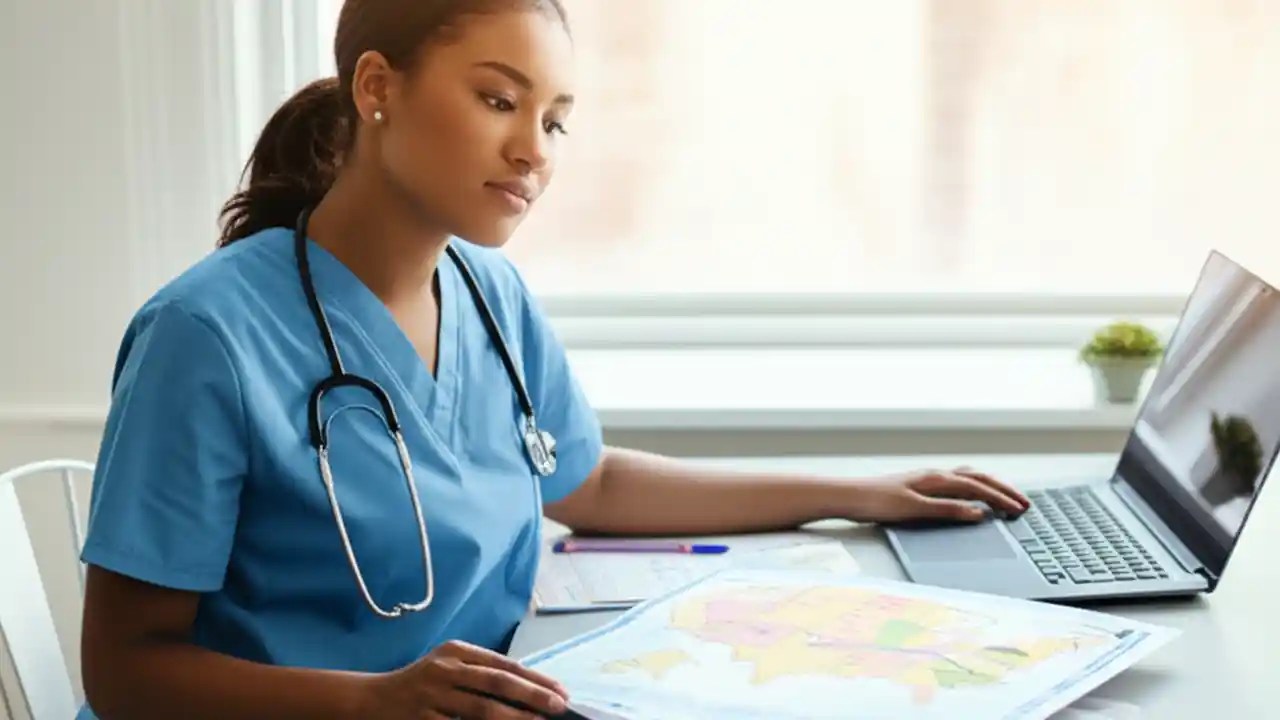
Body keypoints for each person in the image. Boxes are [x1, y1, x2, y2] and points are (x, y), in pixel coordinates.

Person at [76, 1, 1030, 718]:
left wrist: (855, 493)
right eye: (499, 100)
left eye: (557, 120)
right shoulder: (204, 338)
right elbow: (125, 671)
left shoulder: (489, 295)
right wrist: (370, 705)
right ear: (377, 89)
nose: (534, 151)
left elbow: (594, 482)